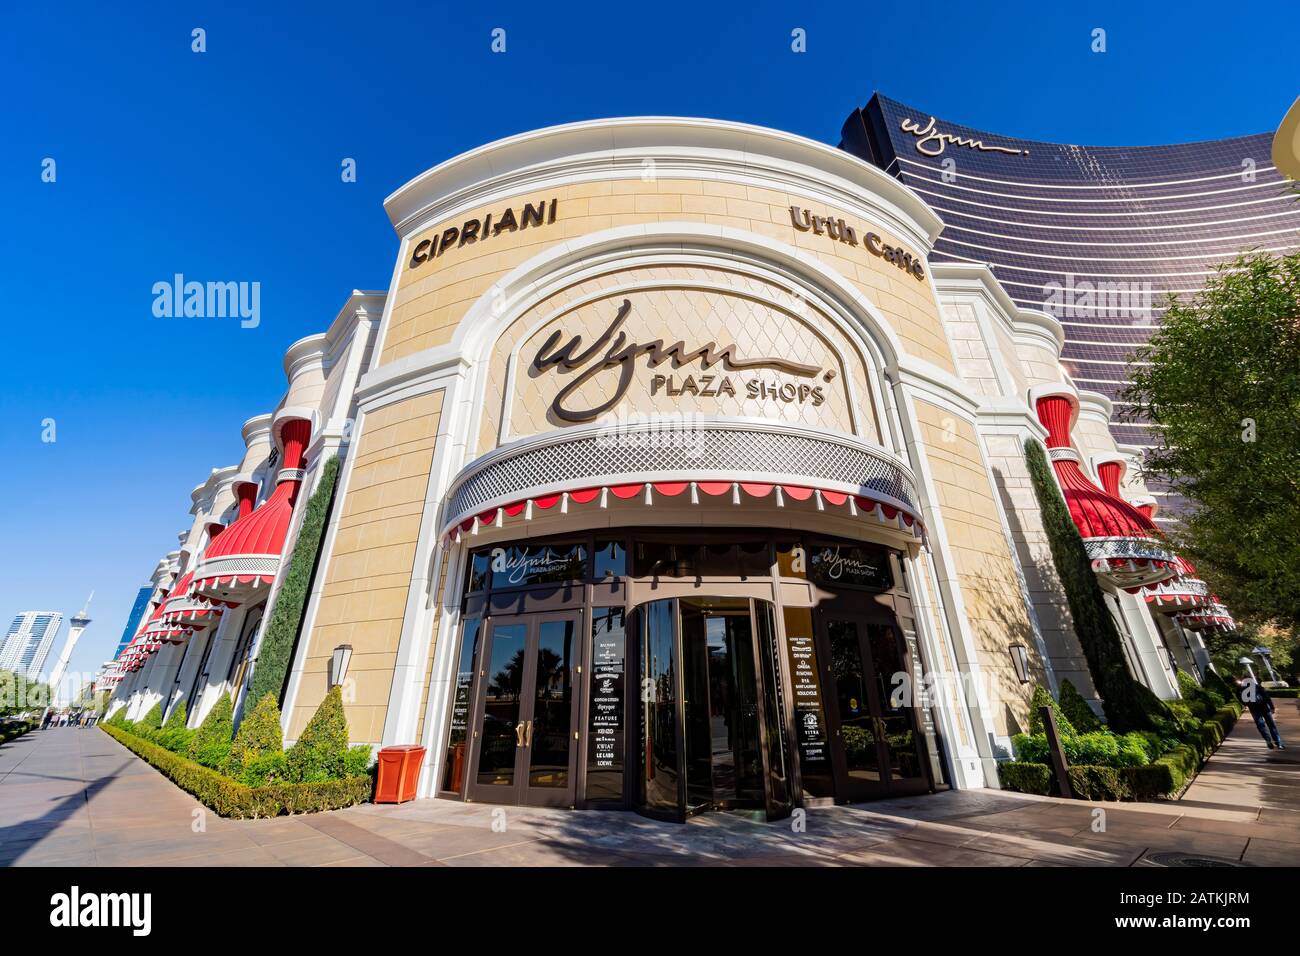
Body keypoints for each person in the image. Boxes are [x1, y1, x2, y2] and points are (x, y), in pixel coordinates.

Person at [1237, 676, 1284, 750]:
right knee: (1271, 725)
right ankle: (1278, 743)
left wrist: (1246, 704)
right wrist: (1272, 707)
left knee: (1260, 725)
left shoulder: (1242, 689)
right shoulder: (1258, 687)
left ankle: (1267, 739)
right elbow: (1267, 697)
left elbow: (1241, 699)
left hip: (1254, 709)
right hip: (1264, 707)